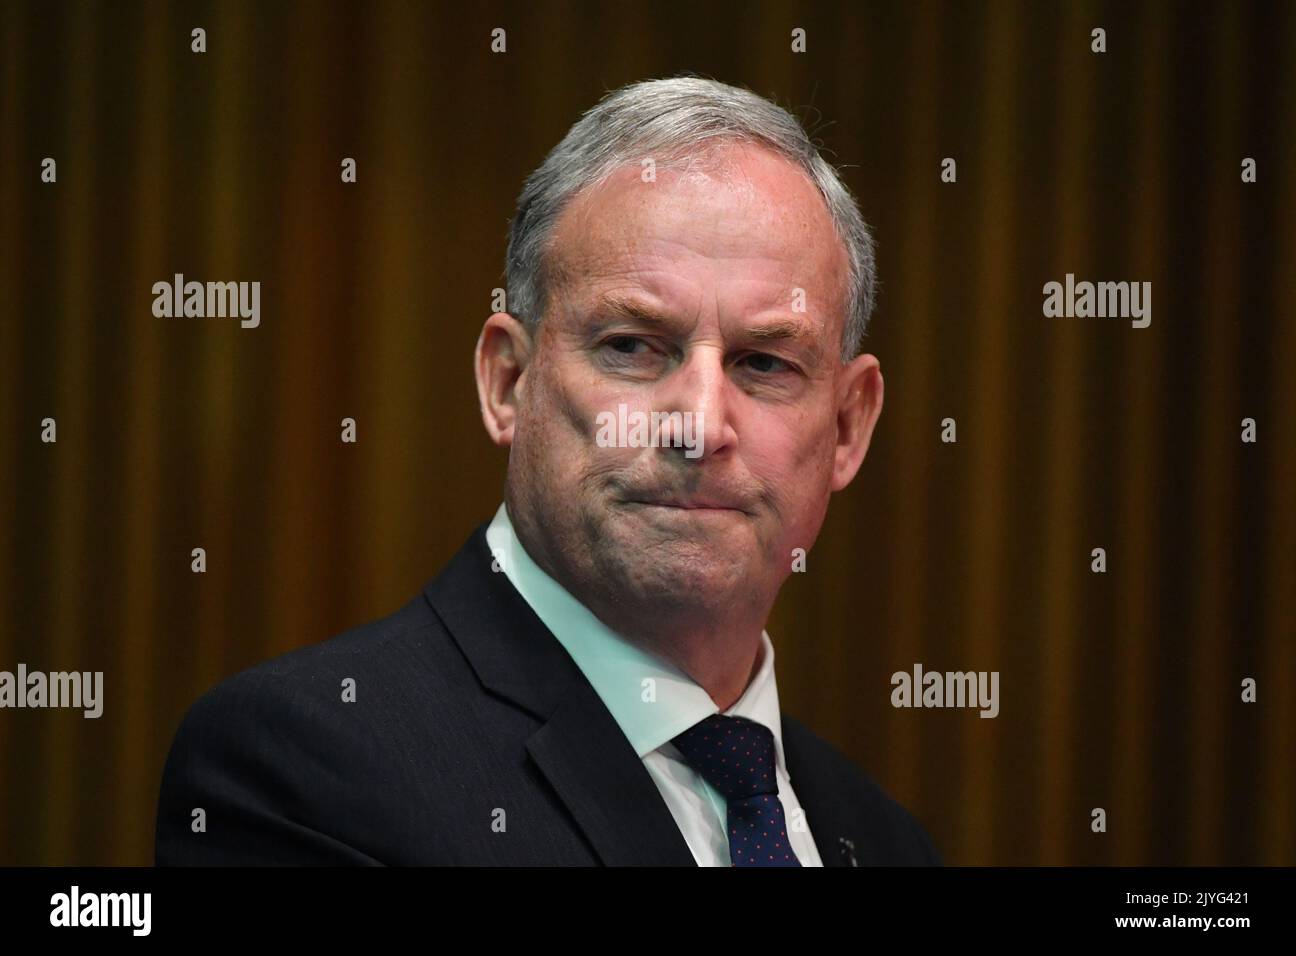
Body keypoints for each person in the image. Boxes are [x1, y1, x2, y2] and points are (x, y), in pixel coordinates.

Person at [155, 75, 941, 867]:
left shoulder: (886, 842)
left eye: (765, 363)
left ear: (846, 426)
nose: (700, 426)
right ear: (507, 382)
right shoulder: (304, 768)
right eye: (632, 346)